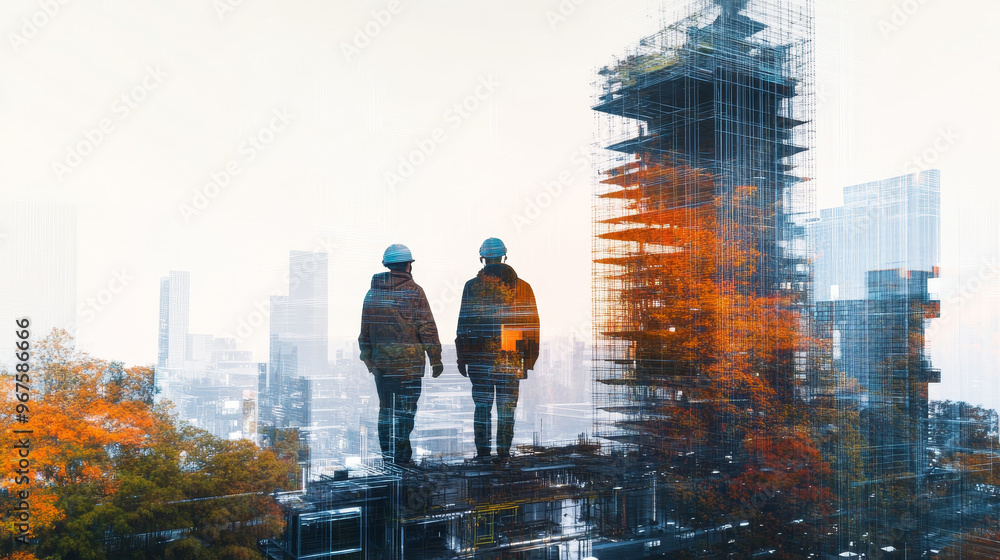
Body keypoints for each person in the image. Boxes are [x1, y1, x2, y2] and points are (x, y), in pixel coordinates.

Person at [456, 238, 540, 460]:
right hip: (510, 357)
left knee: (482, 407)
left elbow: (464, 324)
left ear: (482, 258)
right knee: (506, 409)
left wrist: (462, 358)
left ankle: (483, 454)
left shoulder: (472, 287)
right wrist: (529, 359)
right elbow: (532, 324)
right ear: (504, 257)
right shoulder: (523, 287)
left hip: (479, 356)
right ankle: (503, 454)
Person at [359, 243, 443, 465]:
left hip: (383, 368)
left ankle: (388, 459)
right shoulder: (414, 292)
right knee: (405, 413)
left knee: (386, 411)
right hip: (410, 369)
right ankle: (402, 460)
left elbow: (364, 334)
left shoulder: (372, 294)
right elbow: (427, 327)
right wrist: (435, 359)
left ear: (387, 265)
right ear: (408, 265)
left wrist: (371, 362)